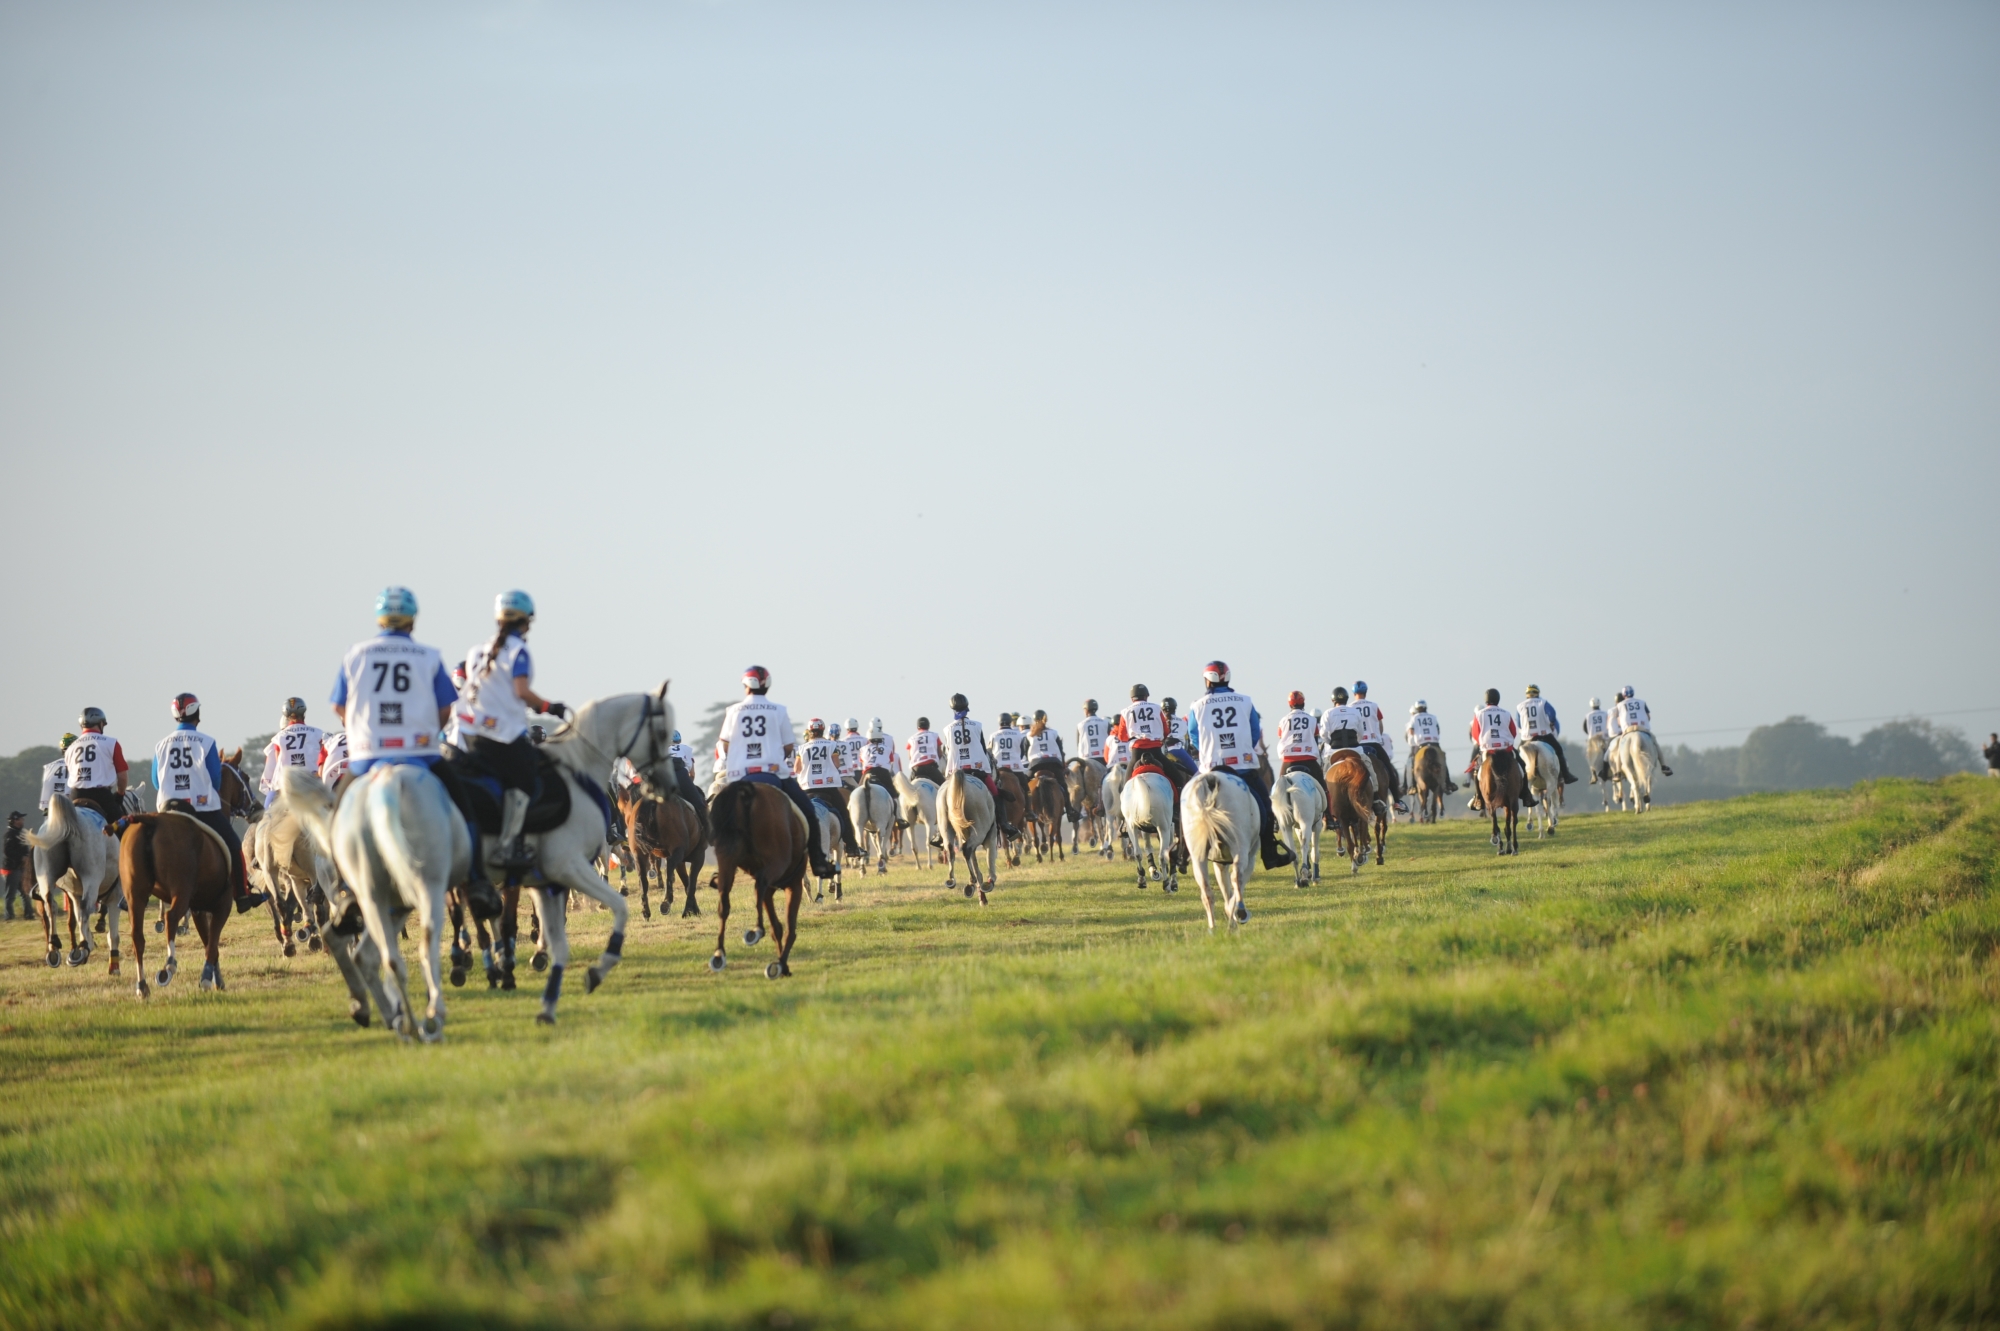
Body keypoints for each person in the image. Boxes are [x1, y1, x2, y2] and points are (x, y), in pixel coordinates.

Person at [332, 585, 501, 921]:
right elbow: (444, 709)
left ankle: (345, 888)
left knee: (338, 812)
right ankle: (478, 880)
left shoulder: (356, 654)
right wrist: (425, 734)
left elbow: (340, 705)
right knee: (464, 804)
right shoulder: (427, 656)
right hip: (420, 755)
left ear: (380, 619)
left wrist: (365, 732)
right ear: (412, 619)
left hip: (368, 756)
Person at [456, 590, 570, 872]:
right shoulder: (519, 651)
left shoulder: (475, 651)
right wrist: (548, 706)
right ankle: (508, 845)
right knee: (530, 781)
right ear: (525, 622)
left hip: (469, 733)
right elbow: (521, 691)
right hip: (503, 736)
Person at [716, 665, 838, 879]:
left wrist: (740, 756)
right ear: (767, 686)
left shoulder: (733, 711)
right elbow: (789, 747)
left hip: (740, 776)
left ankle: (724, 866)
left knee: (718, 811)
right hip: (773, 774)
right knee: (808, 811)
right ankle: (818, 861)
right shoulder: (779, 710)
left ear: (746, 686)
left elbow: (724, 744)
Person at [153, 693, 267, 913]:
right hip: (201, 809)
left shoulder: (161, 745)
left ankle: (127, 897)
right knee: (235, 846)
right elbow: (216, 779)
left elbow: (155, 781)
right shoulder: (206, 742)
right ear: (197, 713)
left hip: (167, 810)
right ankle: (242, 895)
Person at [1184, 661, 1294, 869]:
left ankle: (1182, 850)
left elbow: (1193, 735)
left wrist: (1208, 751)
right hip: (1242, 768)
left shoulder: (1197, 705)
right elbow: (1254, 732)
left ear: (1208, 680)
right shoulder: (1245, 701)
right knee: (1266, 808)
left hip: (1211, 767)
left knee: (1186, 802)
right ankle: (1270, 853)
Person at [941, 694, 1018, 838]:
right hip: (976, 771)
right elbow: (983, 749)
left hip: (955, 772)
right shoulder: (977, 725)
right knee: (996, 794)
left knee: (942, 797)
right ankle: (1005, 826)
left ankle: (941, 832)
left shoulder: (947, 729)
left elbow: (948, 750)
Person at [794, 720, 862, 855]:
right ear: (823, 730)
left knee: (795, 815)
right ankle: (851, 847)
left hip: (808, 788)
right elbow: (836, 764)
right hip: (829, 787)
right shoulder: (832, 745)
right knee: (844, 813)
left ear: (809, 731)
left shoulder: (802, 748)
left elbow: (797, 768)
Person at [64, 709, 128, 827]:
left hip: (75, 795)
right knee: (124, 829)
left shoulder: (70, 748)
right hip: (101, 796)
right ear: (100, 723)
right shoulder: (111, 743)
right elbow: (122, 776)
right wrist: (120, 794)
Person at [259, 697, 327, 809]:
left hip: (285, 787)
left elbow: (276, 763)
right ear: (304, 713)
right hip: (313, 784)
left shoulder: (278, 738)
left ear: (286, 716)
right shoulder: (318, 733)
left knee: (267, 815)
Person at [1350, 681, 1408, 812]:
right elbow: (1380, 726)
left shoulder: (1349, 708)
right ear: (1366, 692)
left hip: (1357, 745)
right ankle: (1397, 801)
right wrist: (1377, 736)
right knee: (1389, 769)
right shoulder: (1374, 706)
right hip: (1373, 743)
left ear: (1354, 693)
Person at [1273, 690, 1332, 814]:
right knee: (1323, 787)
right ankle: (1329, 816)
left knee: (1278, 789)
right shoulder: (1311, 720)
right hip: (1308, 759)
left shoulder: (1283, 720)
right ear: (1303, 703)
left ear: (1290, 704)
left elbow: (1280, 737)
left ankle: (1276, 820)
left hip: (1289, 760)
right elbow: (1316, 738)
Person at [1466, 688, 1519, 811]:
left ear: (1486, 700)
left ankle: (1479, 797)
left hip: (1488, 750)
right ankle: (1526, 794)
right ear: (1498, 699)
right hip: (1505, 749)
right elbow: (1513, 731)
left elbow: (1475, 734)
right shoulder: (1506, 713)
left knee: (1477, 771)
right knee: (1520, 766)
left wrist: (1483, 744)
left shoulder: (1479, 714)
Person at [1516, 685, 1579, 785]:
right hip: (1543, 735)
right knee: (1559, 750)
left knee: (1517, 756)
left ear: (1527, 695)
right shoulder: (1543, 702)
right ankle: (1566, 775)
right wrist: (1551, 723)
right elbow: (1552, 714)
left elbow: (1519, 723)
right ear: (1537, 693)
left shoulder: (1519, 706)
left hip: (1527, 738)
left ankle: (1518, 779)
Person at [1024, 709, 1073, 825]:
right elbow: (1060, 750)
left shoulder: (1029, 734)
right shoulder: (1054, 732)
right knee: (1063, 785)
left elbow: (1025, 752)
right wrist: (1062, 765)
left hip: (1036, 763)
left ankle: (1027, 809)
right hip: (1053, 762)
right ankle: (1070, 809)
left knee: (1025, 786)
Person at [1613, 686, 1674, 775]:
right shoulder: (1642, 702)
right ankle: (1664, 766)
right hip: (1642, 728)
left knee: (1619, 747)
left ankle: (1617, 772)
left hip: (1628, 730)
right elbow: (1648, 717)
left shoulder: (1619, 705)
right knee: (1655, 743)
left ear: (1623, 695)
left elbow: (1618, 722)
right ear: (1633, 693)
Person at [1405, 701, 1455, 793]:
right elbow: (1438, 730)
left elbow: (1411, 731)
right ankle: (1448, 783)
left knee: (1412, 760)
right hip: (1434, 742)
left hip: (1422, 743)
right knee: (1442, 760)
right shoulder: (1433, 717)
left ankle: (1412, 786)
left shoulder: (1414, 718)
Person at [858, 718, 900, 793]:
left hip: (868, 772)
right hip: (883, 773)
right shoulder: (888, 748)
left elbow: (862, 762)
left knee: (857, 792)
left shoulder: (863, 749)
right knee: (894, 793)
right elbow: (891, 761)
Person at [39, 734, 74, 813]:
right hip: (72, 805)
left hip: (52, 807)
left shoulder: (48, 766)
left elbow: (46, 788)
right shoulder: (78, 764)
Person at [3, 811, 28, 920]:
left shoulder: (20, 833)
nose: (23, 821)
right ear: (15, 821)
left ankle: (29, 914)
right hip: (12, 868)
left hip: (20, 867)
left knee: (25, 893)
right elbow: (7, 851)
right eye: (20, 819)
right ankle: (9, 916)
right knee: (11, 894)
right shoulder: (10, 834)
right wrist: (21, 857)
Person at [1076, 700, 1110, 777]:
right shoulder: (1105, 723)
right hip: (1102, 757)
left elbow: (1078, 745)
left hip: (1086, 758)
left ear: (1086, 710)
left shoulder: (1080, 725)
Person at [1580, 697, 1611, 781]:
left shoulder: (1588, 715)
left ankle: (1593, 773)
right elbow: (1609, 724)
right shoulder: (1605, 713)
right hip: (1605, 737)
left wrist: (1590, 734)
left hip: (1593, 739)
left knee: (1589, 756)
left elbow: (1584, 728)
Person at [906, 718, 945, 785]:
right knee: (945, 787)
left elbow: (910, 757)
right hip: (931, 768)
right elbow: (940, 754)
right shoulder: (935, 736)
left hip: (916, 769)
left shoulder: (911, 739)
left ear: (918, 727)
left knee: (906, 791)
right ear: (928, 726)